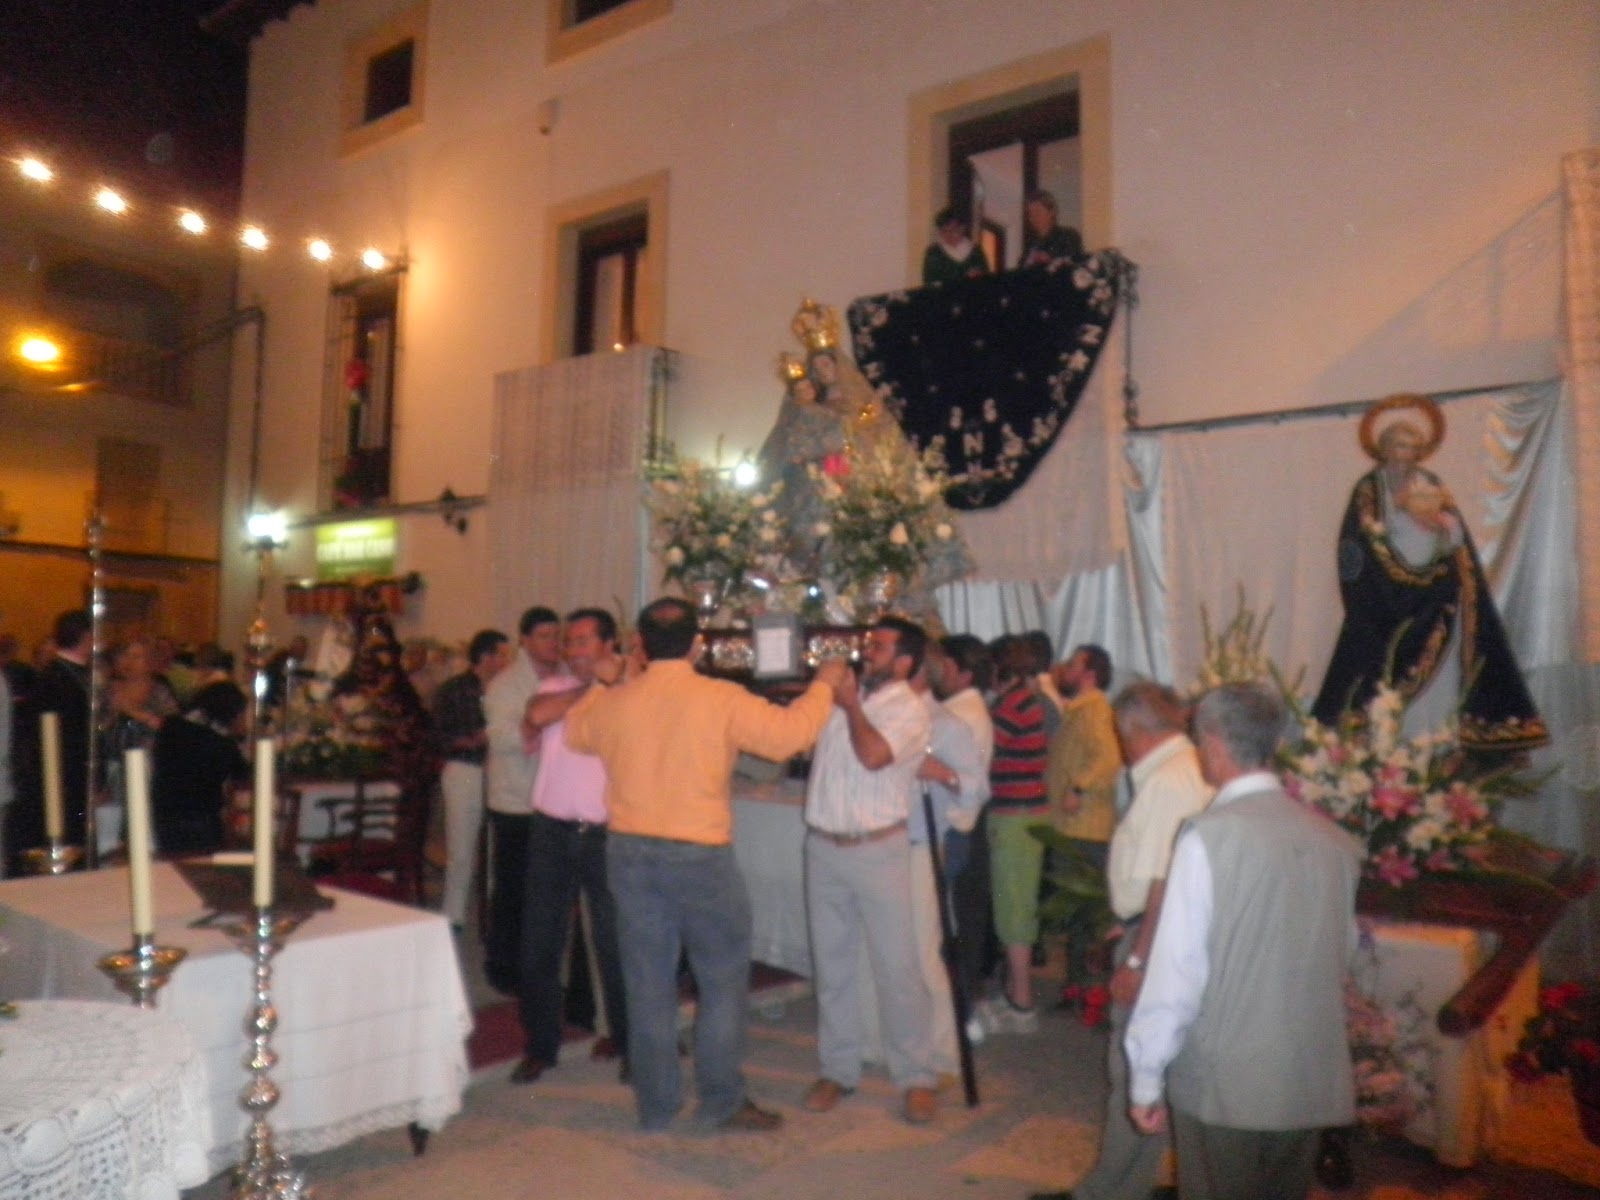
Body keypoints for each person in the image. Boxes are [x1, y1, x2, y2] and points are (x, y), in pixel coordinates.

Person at [564, 596, 847, 1133]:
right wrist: (825, 685)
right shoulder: (719, 697)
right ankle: (719, 1101)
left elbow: (576, 732)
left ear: (640, 645)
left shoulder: (616, 702)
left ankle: (657, 1107)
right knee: (720, 982)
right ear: (696, 645)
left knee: (647, 984)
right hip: (698, 855)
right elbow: (789, 737)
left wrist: (609, 681)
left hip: (629, 853)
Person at [1124, 683, 1361, 1200]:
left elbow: (1178, 971)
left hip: (1226, 1082)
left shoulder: (1208, 837)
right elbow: (1341, 958)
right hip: (1307, 1076)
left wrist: (1146, 1075)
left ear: (1212, 742)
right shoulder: (1336, 843)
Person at [1031, 681, 1211, 1200]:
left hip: (1156, 940)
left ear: (1129, 730)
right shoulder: (1184, 769)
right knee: (1149, 1074)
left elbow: (1163, 881)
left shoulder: (1168, 781)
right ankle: (1128, 1186)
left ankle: (1106, 1193)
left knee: (1134, 1071)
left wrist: (1136, 957)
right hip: (1156, 927)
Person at [1311, 395, 1547, 755]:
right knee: (1383, 681)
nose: (1404, 457)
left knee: (1439, 684)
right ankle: (1395, 756)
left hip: (1436, 597)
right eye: (1398, 448)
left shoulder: (1430, 483)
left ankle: (1438, 751)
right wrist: (1390, 568)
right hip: (1386, 603)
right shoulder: (1370, 489)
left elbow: (1455, 538)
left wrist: (1440, 525)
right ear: (1384, 450)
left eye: (1411, 449)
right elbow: (1357, 546)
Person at [801, 616, 940, 1124]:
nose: (866, 652)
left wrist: (851, 707)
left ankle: (916, 1076)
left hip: (877, 850)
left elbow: (875, 756)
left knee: (896, 967)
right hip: (824, 847)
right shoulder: (842, 699)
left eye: (878, 646)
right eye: (868, 644)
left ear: (904, 662)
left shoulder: (909, 709)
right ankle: (837, 1069)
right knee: (832, 965)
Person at [513, 608, 630, 1085]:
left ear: (609, 645)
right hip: (552, 832)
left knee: (616, 944)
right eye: (570, 642)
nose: (574, 651)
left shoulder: (631, 695)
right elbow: (537, 716)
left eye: (584, 641)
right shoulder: (557, 688)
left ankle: (629, 1040)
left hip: (607, 835)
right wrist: (596, 685)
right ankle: (541, 1046)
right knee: (539, 943)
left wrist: (615, 684)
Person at [907, 645, 988, 1085]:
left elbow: (976, 788)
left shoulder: (946, 724)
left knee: (926, 951)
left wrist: (942, 774)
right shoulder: (888, 719)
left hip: (923, 843)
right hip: (885, 844)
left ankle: (944, 1050)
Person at [481, 605, 565, 994]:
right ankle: (503, 966)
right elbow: (500, 737)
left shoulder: (565, 678)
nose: (554, 643)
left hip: (552, 799)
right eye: (545, 636)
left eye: (557, 635)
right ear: (525, 641)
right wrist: (535, 727)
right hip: (515, 800)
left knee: (544, 892)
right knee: (513, 889)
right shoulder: (506, 684)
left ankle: (537, 966)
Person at [979, 634, 1052, 1034]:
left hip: (1016, 815)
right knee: (1014, 904)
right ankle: (1014, 993)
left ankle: (1022, 1002)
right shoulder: (1023, 700)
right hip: (1023, 813)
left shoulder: (1014, 704)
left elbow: (983, 754)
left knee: (1014, 908)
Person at [1043, 644, 1121, 992]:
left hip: (1085, 830)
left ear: (1089, 674)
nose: (1065, 669)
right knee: (1076, 917)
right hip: (1074, 827)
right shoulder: (1081, 710)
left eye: (1073, 664)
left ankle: (1085, 991)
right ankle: (1077, 989)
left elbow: (1108, 760)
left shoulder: (1094, 711)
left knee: (1083, 917)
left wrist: (1079, 788)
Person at [432, 629, 509, 931]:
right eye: (502, 655)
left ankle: (490, 911)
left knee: (494, 847)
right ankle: (453, 914)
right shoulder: (458, 689)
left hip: (497, 770)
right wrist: (491, 733)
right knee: (461, 847)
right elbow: (459, 736)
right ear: (486, 657)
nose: (506, 662)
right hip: (464, 770)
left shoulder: (502, 689)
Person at [150, 681, 250, 855]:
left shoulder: (171, 727)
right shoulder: (221, 743)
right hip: (202, 818)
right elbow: (242, 775)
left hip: (164, 815)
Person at [31, 609, 94, 849]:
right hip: (67, 776)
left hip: (71, 773)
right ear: (87, 637)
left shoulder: (65, 673)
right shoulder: (58, 677)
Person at [921, 206, 990, 285]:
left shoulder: (976, 251)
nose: (949, 235)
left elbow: (986, 281)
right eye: (944, 231)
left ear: (962, 228)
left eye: (953, 230)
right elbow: (930, 284)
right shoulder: (934, 253)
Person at [1020, 189, 1085, 267]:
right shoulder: (1030, 243)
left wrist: (1050, 261)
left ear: (1052, 212)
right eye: (1030, 214)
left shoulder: (1068, 237)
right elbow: (1020, 271)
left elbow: (1072, 265)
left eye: (1038, 212)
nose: (1033, 217)